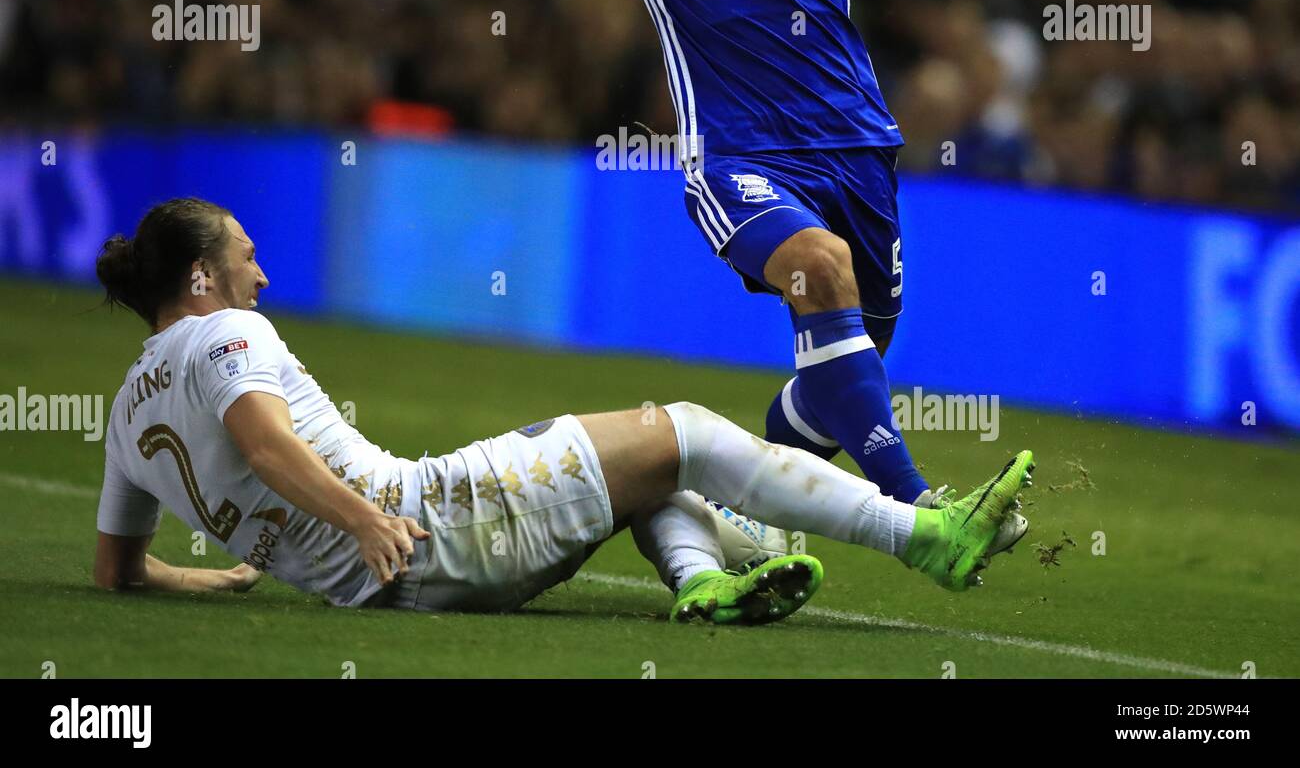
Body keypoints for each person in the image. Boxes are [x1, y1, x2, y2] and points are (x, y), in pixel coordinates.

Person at [373, 0, 1178, 506]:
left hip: (859, 149)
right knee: (823, 270)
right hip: (741, 155)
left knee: (843, 376)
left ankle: (728, 517)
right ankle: (922, 507)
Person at [92, 198, 1034, 625]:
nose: (262, 273)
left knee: (651, 461)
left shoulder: (127, 418)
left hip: (388, 575)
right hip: (433, 521)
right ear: (203, 277)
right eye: (247, 256)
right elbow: (264, 444)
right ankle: (924, 534)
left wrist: (210, 579)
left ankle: (700, 582)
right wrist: (367, 517)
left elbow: (117, 571)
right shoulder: (225, 337)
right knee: (691, 429)